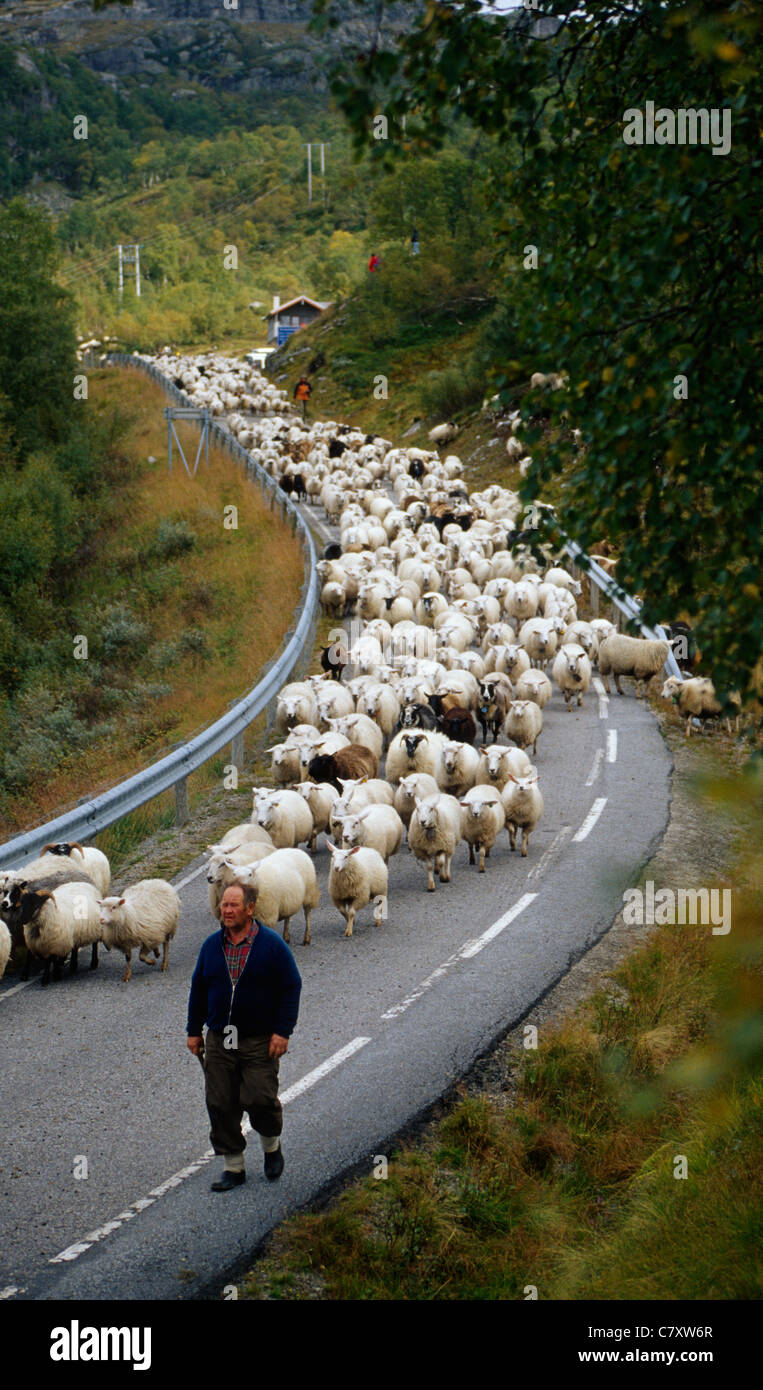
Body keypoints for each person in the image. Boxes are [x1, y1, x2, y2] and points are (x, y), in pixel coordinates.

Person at [187, 881, 302, 1191]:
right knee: (220, 1101)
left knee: (260, 1098)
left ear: (250, 909)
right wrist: (193, 1031)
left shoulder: (271, 945)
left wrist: (282, 1032)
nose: (226, 910)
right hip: (221, 1038)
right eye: (224, 905)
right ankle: (234, 1167)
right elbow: (199, 987)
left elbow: (291, 986)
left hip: (258, 1038)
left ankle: (271, 1147)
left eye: (233, 905)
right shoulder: (212, 945)